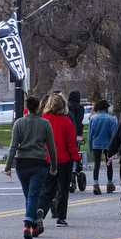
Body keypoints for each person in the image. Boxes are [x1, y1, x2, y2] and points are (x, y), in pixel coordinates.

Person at [4, 96, 58, 239]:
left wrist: (8, 166)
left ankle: (34, 226)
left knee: (29, 195)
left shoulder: (19, 123)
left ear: (27, 107)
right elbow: (51, 147)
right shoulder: (45, 124)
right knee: (33, 195)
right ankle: (28, 225)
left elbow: (13, 146)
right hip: (39, 163)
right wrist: (54, 165)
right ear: (39, 107)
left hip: (22, 163)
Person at [42, 93, 82, 227]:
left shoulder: (43, 119)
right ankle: (61, 217)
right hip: (64, 160)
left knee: (47, 190)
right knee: (63, 189)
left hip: (47, 160)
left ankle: (41, 211)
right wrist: (77, 158)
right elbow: (71, 144)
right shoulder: (66, 121)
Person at [87, 99, 118, 194]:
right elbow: (114, 134)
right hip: (108, 144)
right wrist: (115, 147)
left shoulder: (93, 118)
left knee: (97, 164)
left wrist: (90, 146)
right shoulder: (111, 119)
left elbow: (90, 134)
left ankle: (96, 184)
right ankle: (109, 184)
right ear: (106, 108)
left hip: (96, 144)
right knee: (109, 164)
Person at [67, 90, 86, 187]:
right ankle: (75, 170)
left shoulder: (66, 106)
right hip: (75, 132)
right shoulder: (79, 107)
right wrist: (79, 134)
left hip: (67, 132)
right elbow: (79, 121)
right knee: (75, 151)